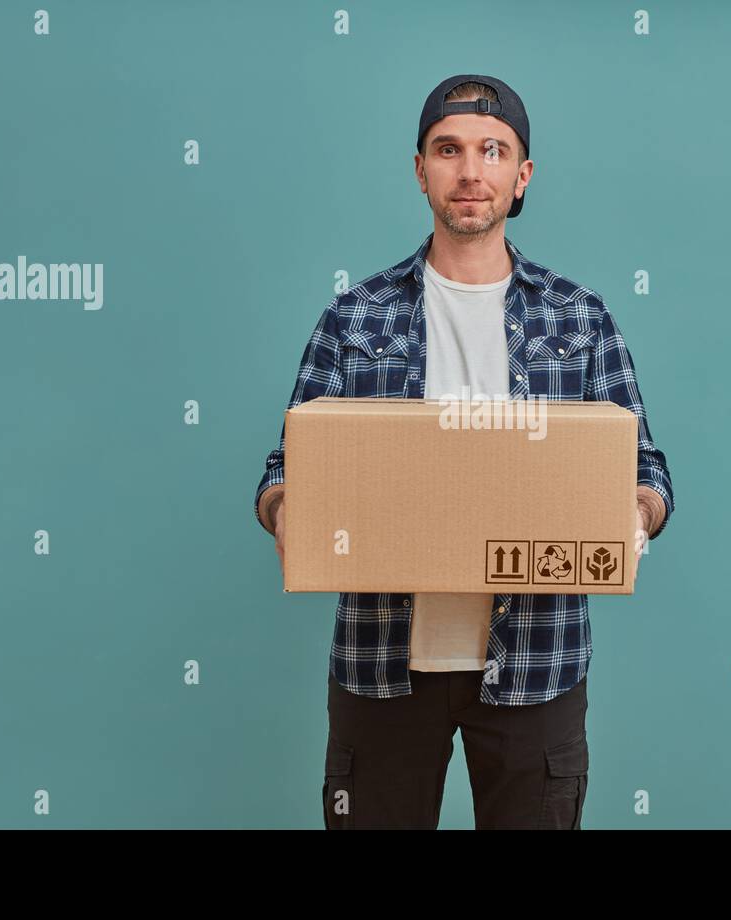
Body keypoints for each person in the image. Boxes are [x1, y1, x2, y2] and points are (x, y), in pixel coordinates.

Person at [254, 74, 674, 829]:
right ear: (421, 171)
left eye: (492, 151)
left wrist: (631, 517)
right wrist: (291, 513)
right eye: (449, 151)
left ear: (522, 177)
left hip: (535, 666)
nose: (470, 171)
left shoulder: (579, 319)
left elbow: (645, 469)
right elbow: (284, 470)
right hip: (381, 667)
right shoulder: (354, 319)